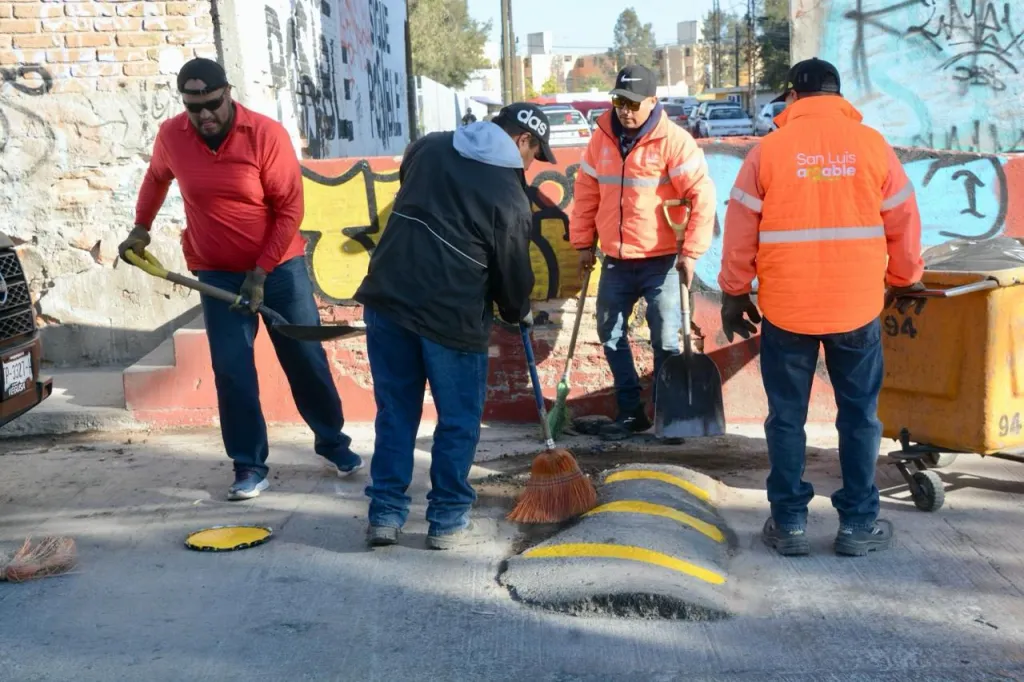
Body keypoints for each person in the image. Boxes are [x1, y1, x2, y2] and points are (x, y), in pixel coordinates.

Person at [119, 58, 363, 501]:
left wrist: (262, 270)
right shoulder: (173, 136)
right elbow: (156, 178)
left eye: (212, 103)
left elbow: (290, 208)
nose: (205, 115)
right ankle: (249, 464)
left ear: (228, 93)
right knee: (232, 371)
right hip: (216, 273)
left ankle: (333, 443)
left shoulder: (265, 135)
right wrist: (141, 226)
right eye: (195, 107)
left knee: (304, 360)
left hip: (280, 269)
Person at [718, 57, 925, 557]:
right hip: (855, 307)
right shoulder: (873, 146)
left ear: (792, 96)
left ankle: (789, 524)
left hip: (787, 309)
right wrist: (904, 279)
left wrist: (733, 291)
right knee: (859, 418)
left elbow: (740, 229)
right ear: (838, 95)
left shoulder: (767, 151)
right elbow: (903, 220)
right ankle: (857, 525)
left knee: (786, 418)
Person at [353, 103, 557, 549]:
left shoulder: (430, 147)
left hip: (388, 301)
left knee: (396, 414)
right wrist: (516, 307)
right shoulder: (509, 194)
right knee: (459, 420)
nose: (530, 165)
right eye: (534, 153)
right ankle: (445, 519)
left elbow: (412, 193)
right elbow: (511, 270)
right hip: (452, 316)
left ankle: (385, 514)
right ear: (523, 140)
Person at [570, 64, 717, 441]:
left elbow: (702, 196)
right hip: (616, 260)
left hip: (662, 259)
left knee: (667, 338)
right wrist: (583, 243)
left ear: (653, 101)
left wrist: (692, 252)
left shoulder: (674, 141)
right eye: (619, 100)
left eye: (634, 103)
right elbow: (586, 194)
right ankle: (631, 411)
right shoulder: (600, 138)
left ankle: (668, 415)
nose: (625, 109)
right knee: (610, 332)